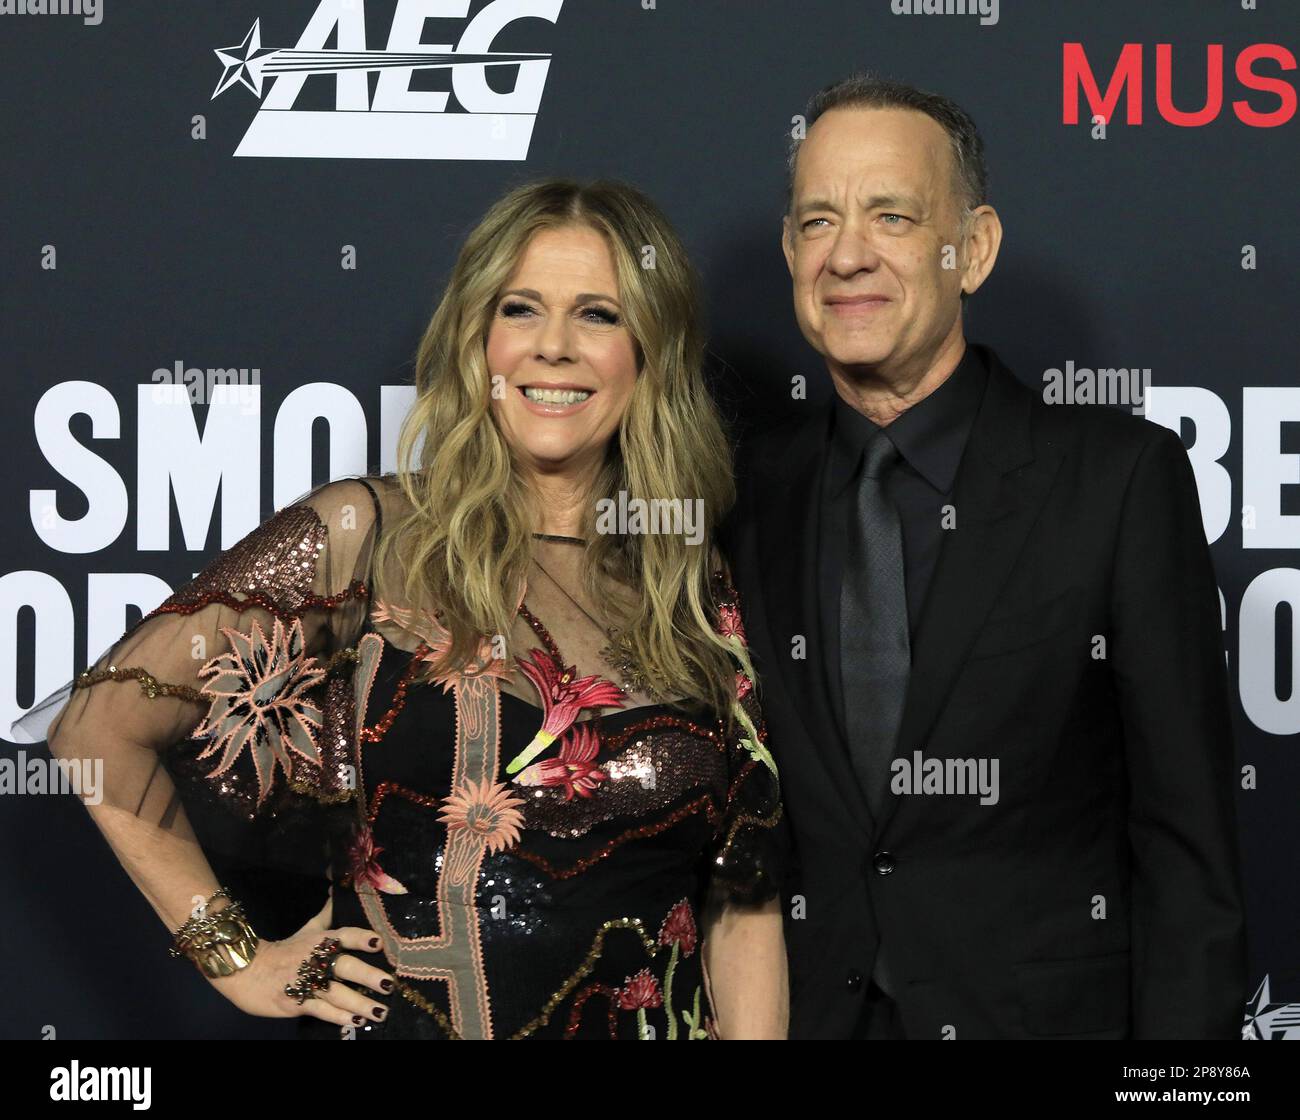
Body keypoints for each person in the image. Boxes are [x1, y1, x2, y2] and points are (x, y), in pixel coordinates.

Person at [18, 178, 788, 1040]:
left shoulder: (696, 583)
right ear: (478, 341)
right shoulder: (370, 535)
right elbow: (95, 727)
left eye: (599, 315)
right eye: (522, 309)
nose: (555, 348)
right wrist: (236, 955)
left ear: (651, 350)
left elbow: (743, 900)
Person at [723, 75, 1247, 1039]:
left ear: (975, 248)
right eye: (818, 221)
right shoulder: (743, 490)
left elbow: (1188, 851)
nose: (848, 256)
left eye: (892, 215)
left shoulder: (1117, 480)